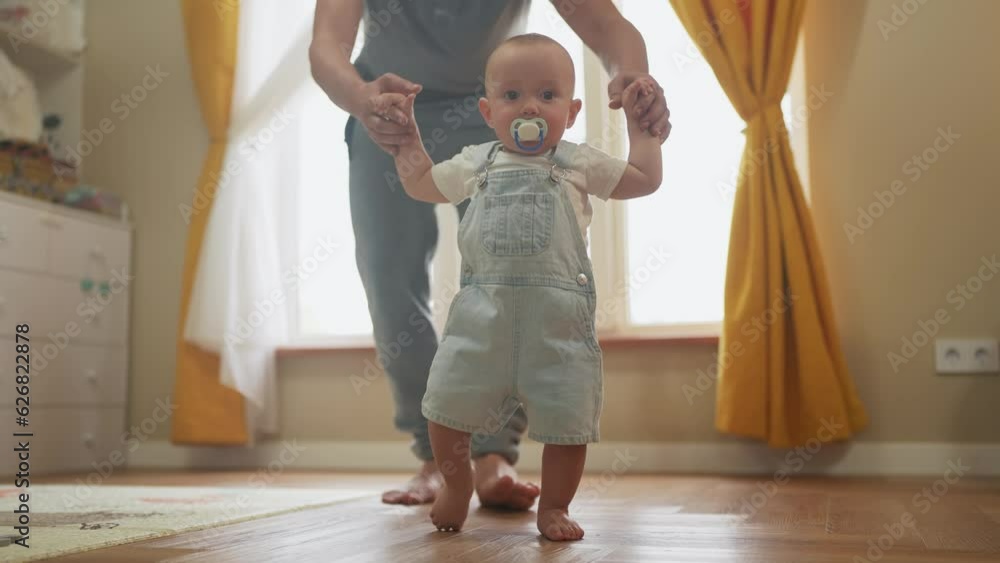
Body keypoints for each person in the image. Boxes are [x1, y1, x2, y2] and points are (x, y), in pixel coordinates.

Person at [309, 0, 671, 510]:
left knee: (511, 282)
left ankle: (494, 454)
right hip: (385, 108)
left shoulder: (544, 133)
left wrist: (634, 80)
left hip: (495, 105)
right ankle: (436, 458)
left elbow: (605, 23)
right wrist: (361, 97)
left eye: (553, 95)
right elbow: (326, 45)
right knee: (388, 279)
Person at [391, 32, 661, 540]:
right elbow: (421, 184)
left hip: (554, 329)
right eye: (512, 96)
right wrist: (408, 141)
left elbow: (644, 179)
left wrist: (641, 129)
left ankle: (554, 506)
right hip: (480, 322)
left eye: (547, 95)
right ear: (488, 111)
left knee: (567, 424)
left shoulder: (579, 163)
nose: (529, 106)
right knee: (445, 408)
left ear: (572, 110)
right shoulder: (477, 161)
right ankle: (456, 484)